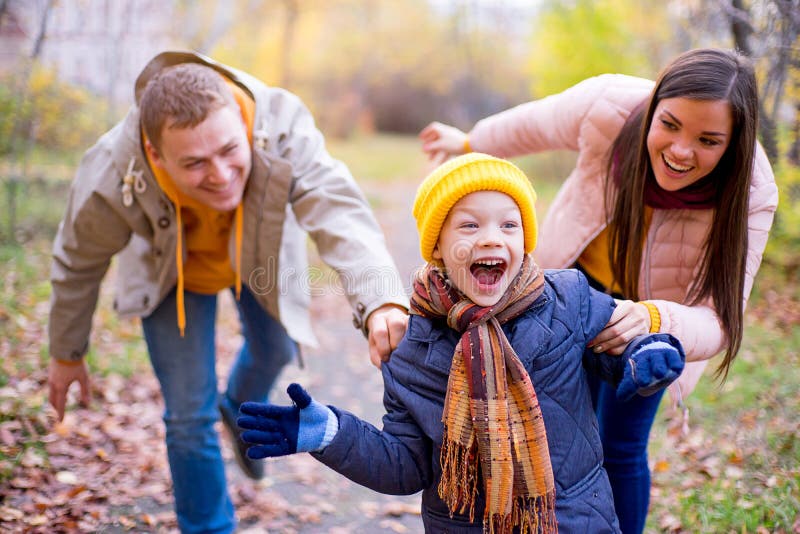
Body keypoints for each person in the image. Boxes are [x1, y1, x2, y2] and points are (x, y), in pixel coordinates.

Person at [47, 51, 409, 533]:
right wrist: (67, 352)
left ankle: (237, 408)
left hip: (255, 254)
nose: (218, 174)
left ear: (242, 121)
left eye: (229, 151)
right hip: (169, 272)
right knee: (187, 415)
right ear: (155, 155)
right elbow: (77, 260)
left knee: (277, 347)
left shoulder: (280, 125)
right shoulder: (112, 172)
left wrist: (381, 297)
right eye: (194, 162)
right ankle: (210, 527)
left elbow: (337, 207)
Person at [418, 48, 778, 533]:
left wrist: (656, 321)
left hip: (648, 323)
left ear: (734, 143)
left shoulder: (751, 191)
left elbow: (720, 318)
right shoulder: (608, 106)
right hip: (570, 292)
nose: (681, 150)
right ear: (652, 106)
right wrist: (470, 140)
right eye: (669, 124)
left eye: (708, 140)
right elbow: (534, 124)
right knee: (557, 434)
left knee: (622, 445)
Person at [236, 153, 686, 533]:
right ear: (438, 246)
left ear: (525, 241)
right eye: (469, 226)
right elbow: (406, 464)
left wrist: (647, 354)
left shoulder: (567, 299)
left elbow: (620, 344)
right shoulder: (412, 348)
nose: (492, 237)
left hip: (572, 519)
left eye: (509, 225)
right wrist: (331, 434)